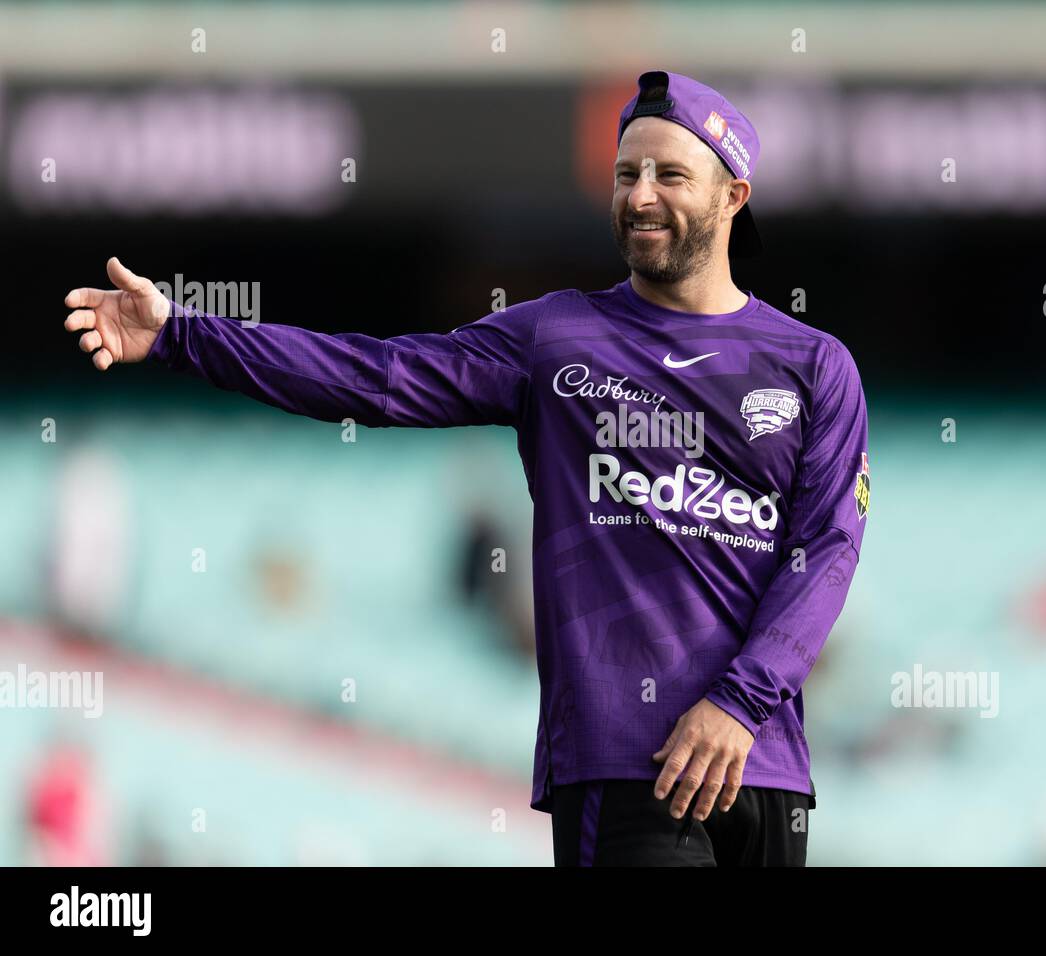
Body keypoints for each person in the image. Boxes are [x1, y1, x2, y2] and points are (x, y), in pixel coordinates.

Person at [60, 70, 870, 866]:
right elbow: (371, 378)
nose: (641, 195)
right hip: (627, 767)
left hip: (765, 771)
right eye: (627, 174)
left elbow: (828, 553)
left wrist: (739, 702)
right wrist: (181, 333)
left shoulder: (815, 366)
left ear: (733, 196)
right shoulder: (557, 340)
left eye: (670, 175)